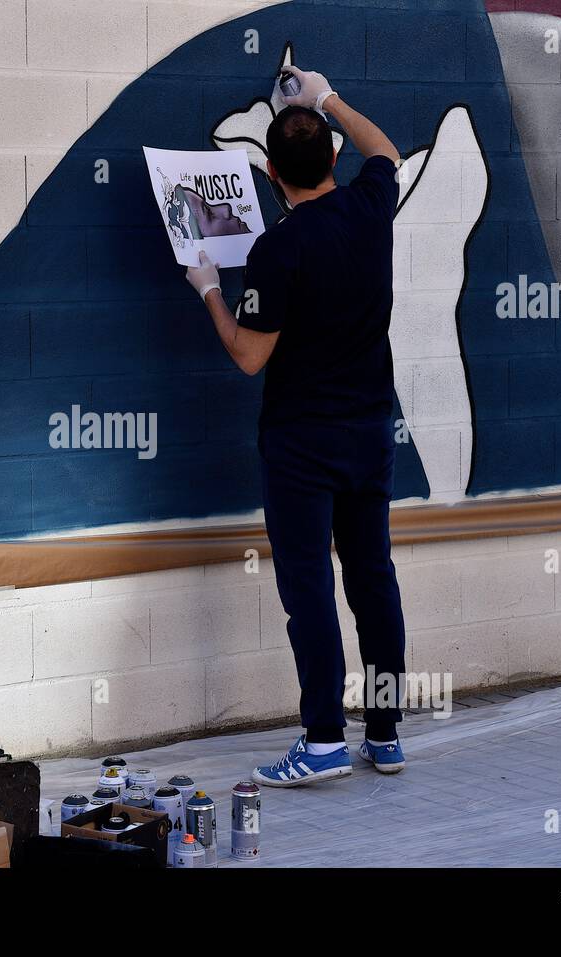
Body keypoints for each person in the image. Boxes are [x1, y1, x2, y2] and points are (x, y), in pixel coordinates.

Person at [184, 65, 409, 786]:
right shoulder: (373, 206)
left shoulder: (276, 249)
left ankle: (321, 741)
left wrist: (210, 292)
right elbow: (388, 153)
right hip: (371, 429)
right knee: (372, 577)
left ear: (270, 172)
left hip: (301, 444)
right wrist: (323, 95)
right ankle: (384, 732)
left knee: (309, 584)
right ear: (333, 159)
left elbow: (250, 355)